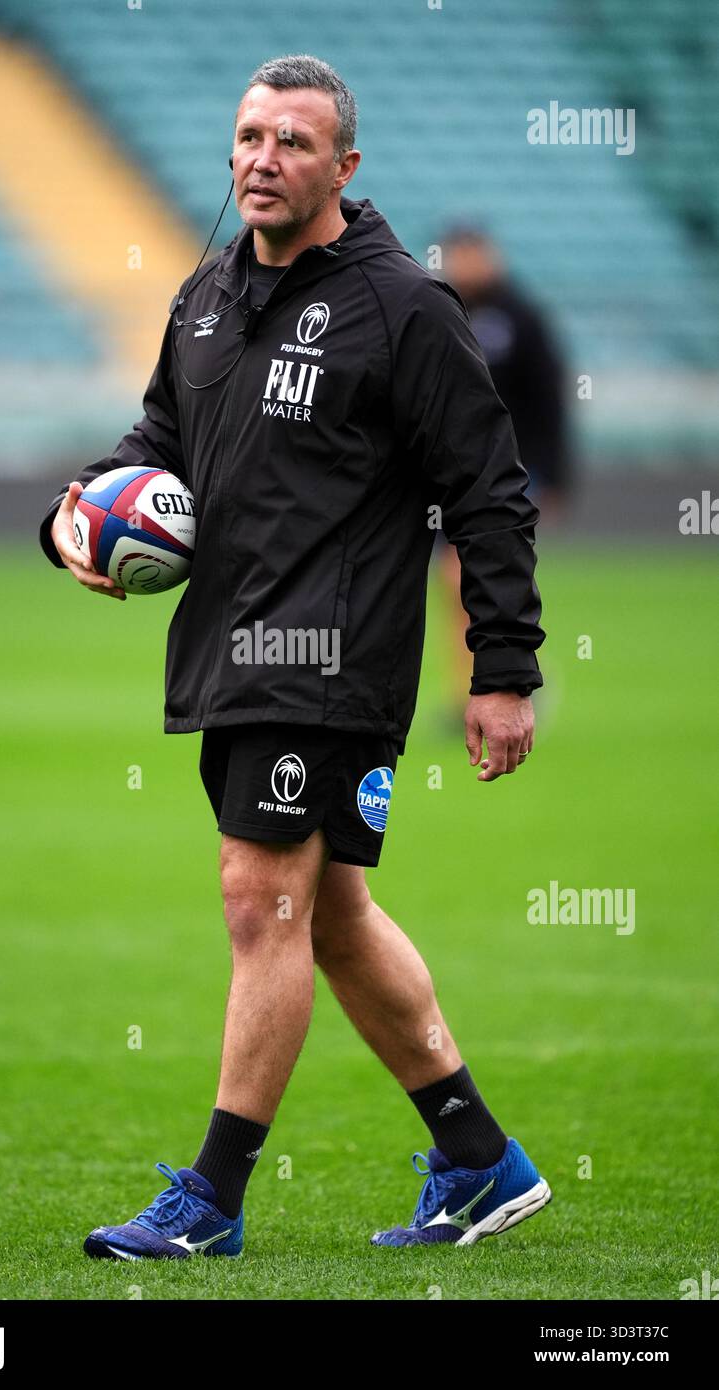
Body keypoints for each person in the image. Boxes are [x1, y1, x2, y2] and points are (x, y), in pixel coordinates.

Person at [38, 54, 551, 1259]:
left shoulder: (401, 309)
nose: (263, 159)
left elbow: (489, 492)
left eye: (293, 142)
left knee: (257, 896)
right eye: (249, 137)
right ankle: (480, 1159)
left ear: (343, 167)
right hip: (226, 648)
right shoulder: (206, 296)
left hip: (326, 655)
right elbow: (154, 440)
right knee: (327, 913)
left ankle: (209, 1200)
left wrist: (504, 668)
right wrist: (73, 525)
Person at [435, 226, 572, 717]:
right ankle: (477, 685)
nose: (465, 264)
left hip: (513, 474)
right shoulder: (440, 309)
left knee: (470, 578)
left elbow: (551, 401)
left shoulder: (521, 316)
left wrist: (553, 477)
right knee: (457, 586)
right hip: (452, 477)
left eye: (472, 254)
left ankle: (505, 680)